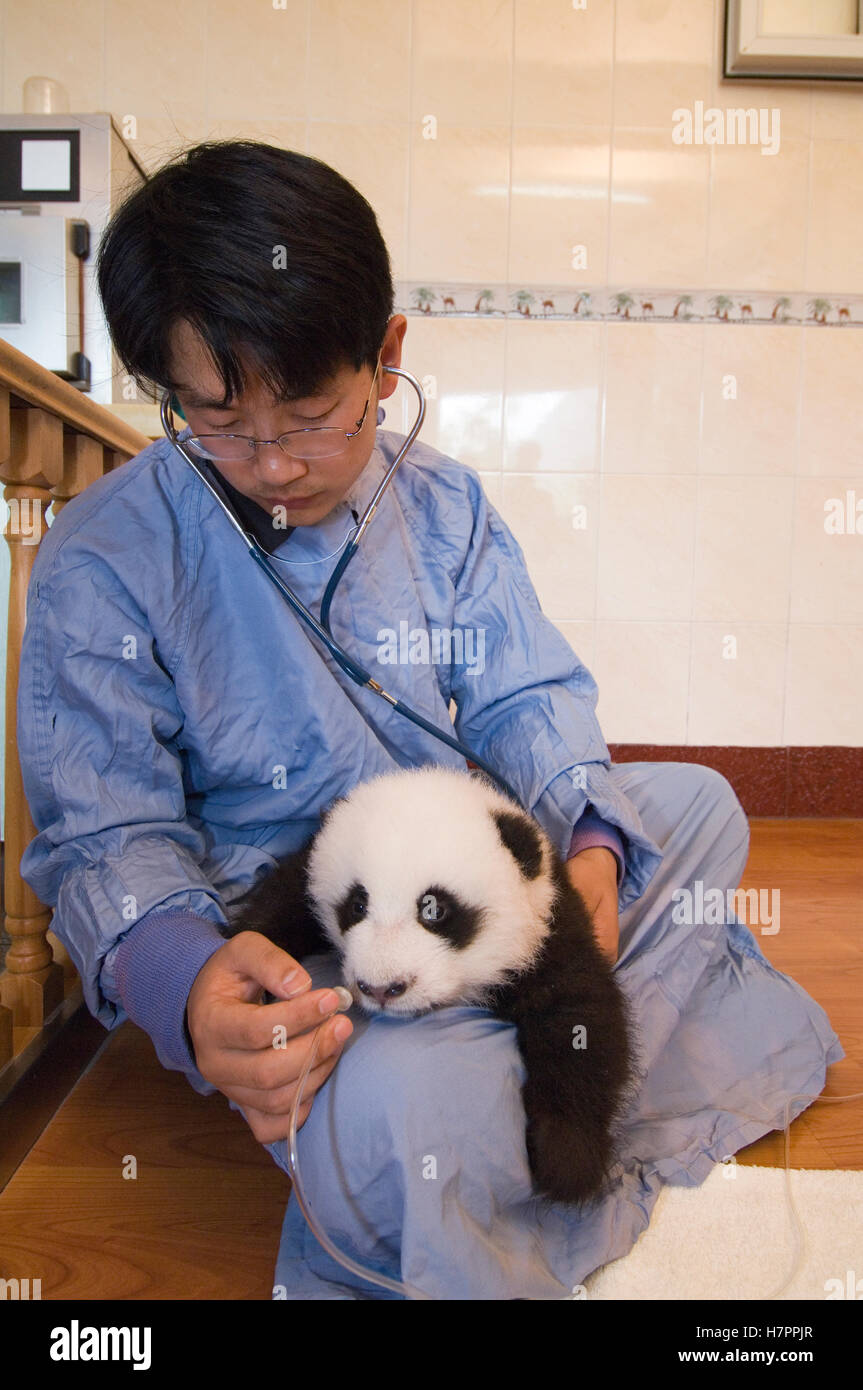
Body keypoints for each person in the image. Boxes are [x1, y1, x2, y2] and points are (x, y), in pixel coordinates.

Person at [17, 140, 843, 1300]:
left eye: (310, 413)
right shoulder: (101, 556)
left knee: (693, 809)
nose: (270, 465)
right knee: (406, 1102)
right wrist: (189, 985)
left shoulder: (442, 505)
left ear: (386, 355)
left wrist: (593, 848)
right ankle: (514, 1092)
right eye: (218, 420)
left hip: (473, 892)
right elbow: (108, 836)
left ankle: (482, 1111)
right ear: (164, 391)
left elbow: (526, 698)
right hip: (317, 952)